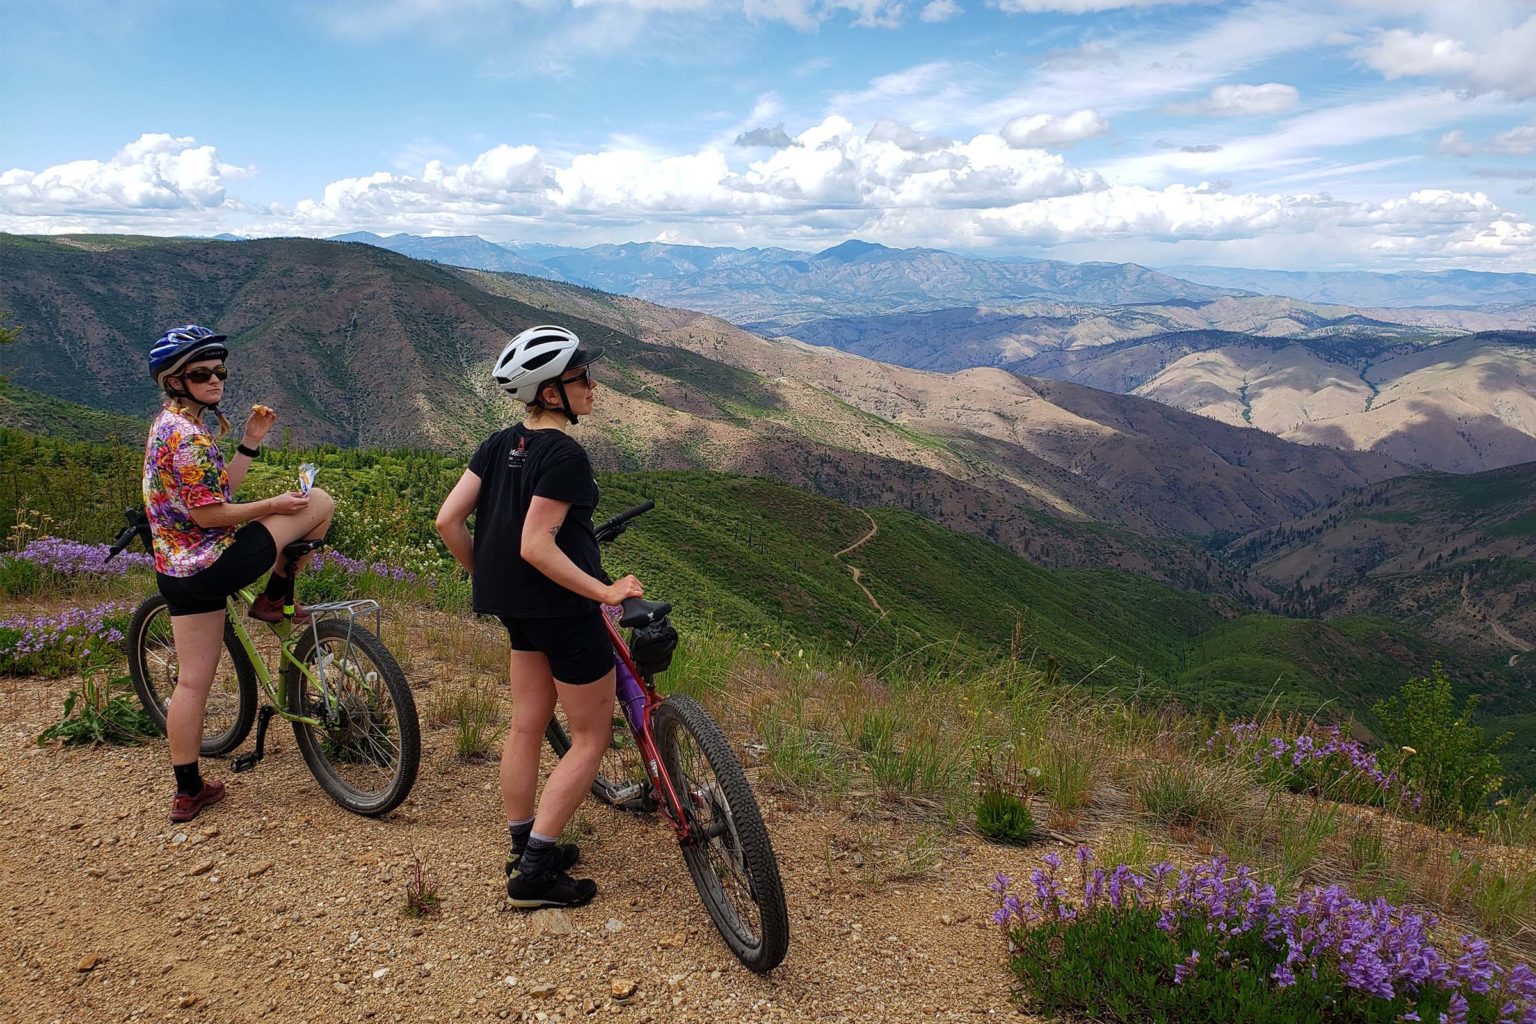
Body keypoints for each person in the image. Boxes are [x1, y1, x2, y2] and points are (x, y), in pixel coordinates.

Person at [435, 324, 643, 910]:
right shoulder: (565, 454)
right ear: (551, 392)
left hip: (517, 611)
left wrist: (483, 576)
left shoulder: (495, 445)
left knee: (527, 726)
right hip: (563, 611)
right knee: (590, 736)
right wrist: (604, 592)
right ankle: (534, 872)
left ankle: (525, 841)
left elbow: (448, 521)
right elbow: (537, 544)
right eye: (581, 377)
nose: (593, 385)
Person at [142, 325, 335, 823]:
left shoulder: (168, 424)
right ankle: (275, 597)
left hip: (176, 573)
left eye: (219, 371)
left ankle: (189, 791)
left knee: (191, 684)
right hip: (215, 560)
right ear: (174, 380)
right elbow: (211, 516)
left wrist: (248, 442)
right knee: (319, 502)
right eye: (201, 373)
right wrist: (274, 504)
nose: (215, 380)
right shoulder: (188, 436)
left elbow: (213, 492)